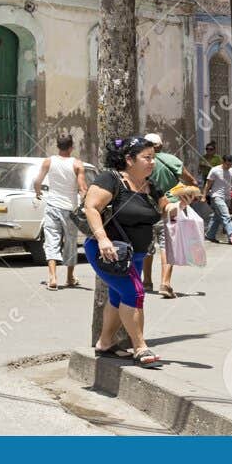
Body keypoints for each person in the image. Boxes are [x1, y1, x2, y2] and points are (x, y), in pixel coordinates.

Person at [83, 135, 174, 367]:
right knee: (135, 293)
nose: (152, 162)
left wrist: (178, 204)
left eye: (153, 158)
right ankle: (140, 347)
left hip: (135, 255)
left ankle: (104, 344)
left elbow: (165, 207)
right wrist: (103, 240)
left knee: (117, 297)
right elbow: (91, 207)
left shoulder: (150, 185)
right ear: (129, 160)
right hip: (109, 252)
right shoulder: (111, 179)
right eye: (147, 158)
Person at [32, 134, 88, 289]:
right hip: (70, 208)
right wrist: (86, 203)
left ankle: (53, 277)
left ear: (58, 146)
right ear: (71, 147)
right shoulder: (77, 164)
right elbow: (82, 188)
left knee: (51, 240)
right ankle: (70, 277)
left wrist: (38, 192)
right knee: (70, 242)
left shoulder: (49, 161)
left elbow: (37, 181)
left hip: (52, 207)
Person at [144, 133, 196, 299]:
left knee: (147, 245)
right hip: (169, 207)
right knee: (168, 245)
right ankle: (165, 283)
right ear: (161, 145)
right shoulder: (171, 160)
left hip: (145, 209)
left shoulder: (141, 161)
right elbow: (191, 180)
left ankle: (146, 281)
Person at [204, 155, 232, 245]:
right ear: (223, 162)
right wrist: (203, 195)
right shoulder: (215, 170)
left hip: (227, 197)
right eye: (227, 164)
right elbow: (208, 184)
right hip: (216, 196)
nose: (229, 166)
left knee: (217, 217)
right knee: (226, 216)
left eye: (231, 165)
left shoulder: (231, 171)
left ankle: (210, 235)